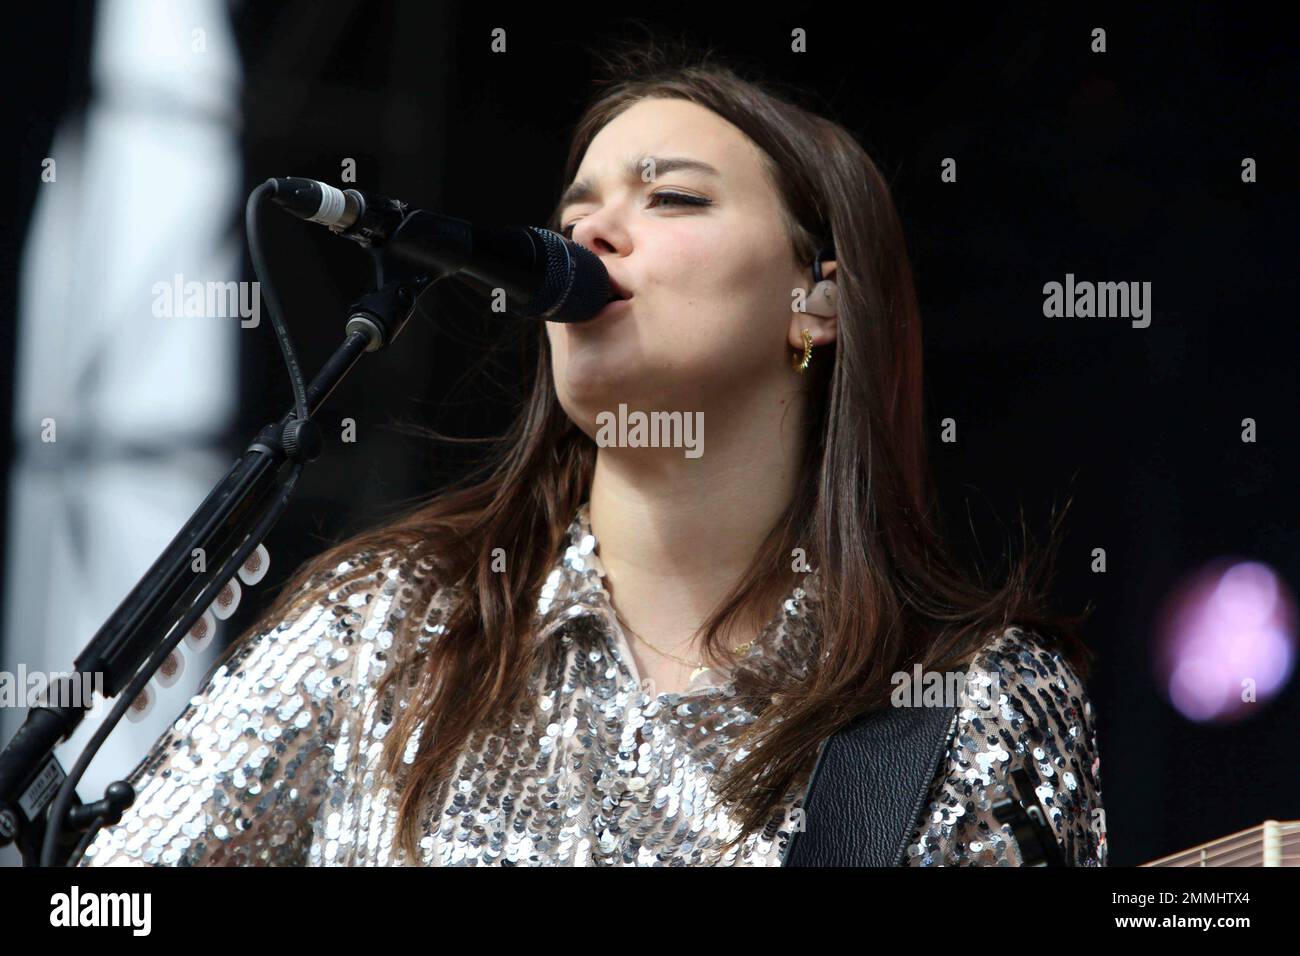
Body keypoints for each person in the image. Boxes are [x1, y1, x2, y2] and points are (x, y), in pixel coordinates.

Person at [79, 44, 1106, 868]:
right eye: (576, 213)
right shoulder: (381, 624)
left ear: (818, 300)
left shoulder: (969, 700)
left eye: (672, 199)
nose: (591, 232)